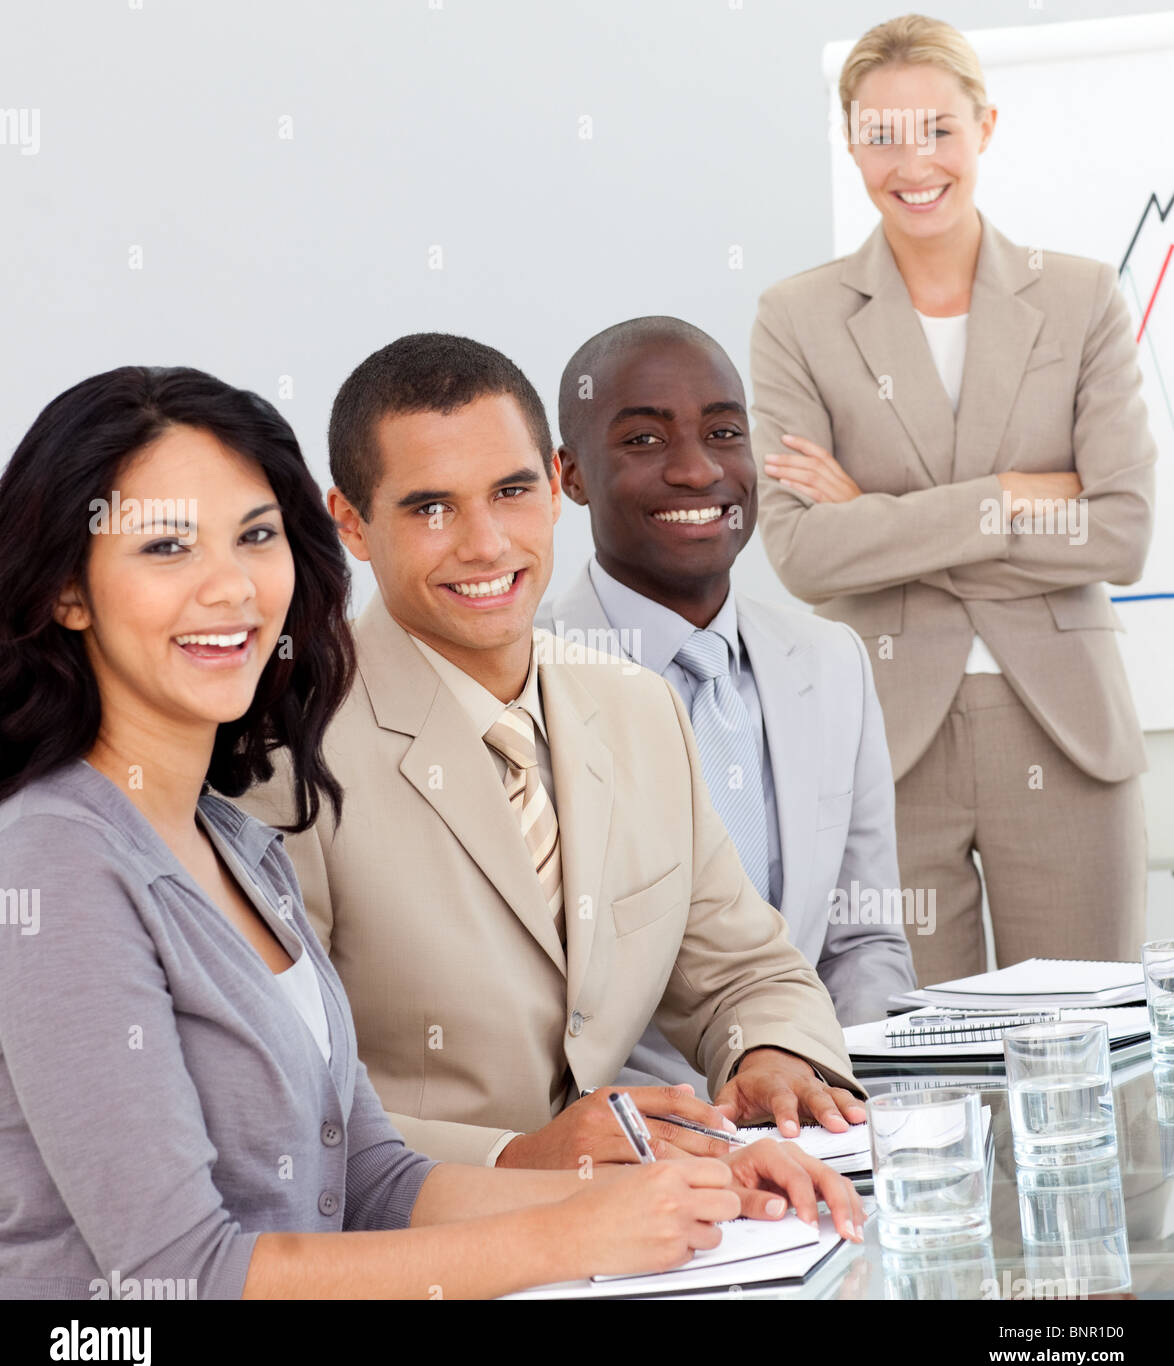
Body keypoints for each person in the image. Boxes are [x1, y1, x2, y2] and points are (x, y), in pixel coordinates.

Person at [0, 366, 865, 1301]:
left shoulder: (229, 844)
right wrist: (575, 1230)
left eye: (255, 536)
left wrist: (690, 1188)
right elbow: (181, 1273)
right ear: (66, 590)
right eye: (167, 547)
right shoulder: (56, 855)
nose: (230, 587)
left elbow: (371, 1179)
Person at [236, 332, 871, 1171]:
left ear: (555, 485)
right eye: (432, 508)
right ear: (350, 522)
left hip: (639, 1234)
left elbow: (744, 971)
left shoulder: (636, 709)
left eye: (512, 491)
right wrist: (518, 1157)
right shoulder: (282, 754)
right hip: (425, 1249)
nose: (488, 543)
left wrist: (774, 1055)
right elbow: (276, 1095)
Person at [749, 15, 1155, 984]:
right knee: (914, 1063)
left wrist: (878, 515)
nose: (912, 160)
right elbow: (805, 555)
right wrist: (1012, 495)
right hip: (887, 741)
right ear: (849, 144)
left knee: (1083, 1046)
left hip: (1063, 730)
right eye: (881, 134)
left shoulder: (1079, 298)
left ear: (985, 127)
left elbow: (1120, 532)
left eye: (937, 128)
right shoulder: (796, 317)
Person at [537, 315, 915, 1088]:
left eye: (723, 432)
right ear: (569, 476)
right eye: (644, 440)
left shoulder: (831, 660)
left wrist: (839, 1096)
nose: (697, 471)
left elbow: (862, 939)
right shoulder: (525, 678)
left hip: (813, 1121)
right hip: (619, 1144)